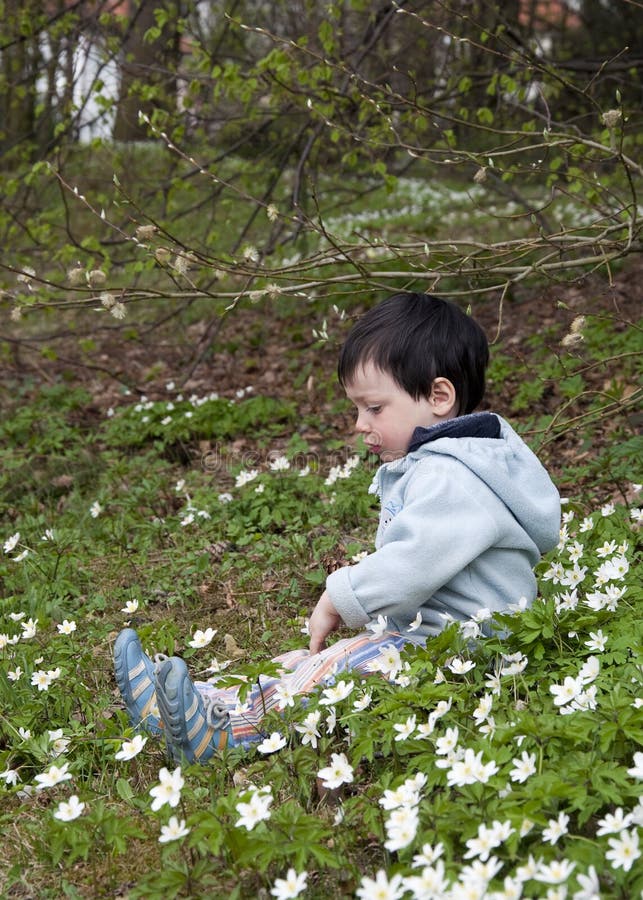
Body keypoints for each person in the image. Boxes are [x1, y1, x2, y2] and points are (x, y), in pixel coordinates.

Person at [113, 291, 561, 763]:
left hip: (465, 650)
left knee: (334, 671)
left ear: (438, 397)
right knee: (306, 663)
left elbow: (411, 563)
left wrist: (340, 595)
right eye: (358, 409)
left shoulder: (453, 476)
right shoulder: (450, 462)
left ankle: (223, 735)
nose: (358, 424)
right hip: (425, 633)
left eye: (374, 408)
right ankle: (188, 704)